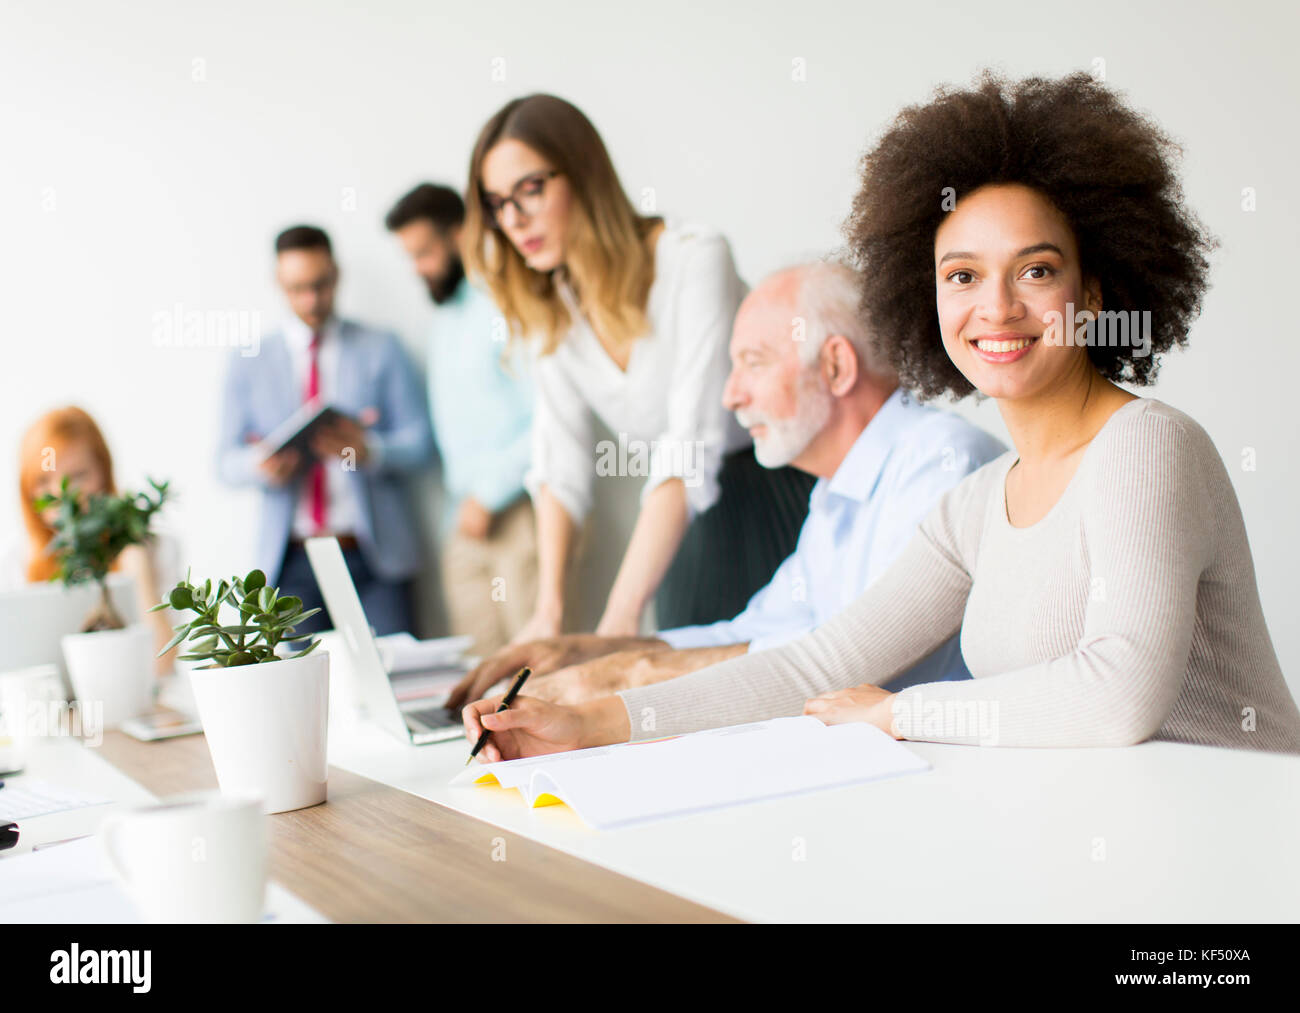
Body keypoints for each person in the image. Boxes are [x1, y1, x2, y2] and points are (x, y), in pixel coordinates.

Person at [462, 70, 1300, 759]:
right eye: (962, 276)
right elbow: (819, 659)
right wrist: (592, 724)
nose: (996, 307)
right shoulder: (976, 507)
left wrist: (899, 713)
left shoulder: (1149, 446)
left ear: (1095, 292)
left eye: (1036, 271)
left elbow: (1118, 694)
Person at [447, 261, 1004, 708]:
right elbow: (760, 630)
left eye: (752, 364)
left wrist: (626, 675)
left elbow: (859, 664)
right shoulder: (835, 495)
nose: (731, 396)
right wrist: (595, 649)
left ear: (835, 366)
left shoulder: (940, 466)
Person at [462, 93, 816, 640]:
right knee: (672, 683)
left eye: (530, 189)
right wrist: (547, 614)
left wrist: (619, 619)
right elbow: (559, 463)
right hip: (683, 523)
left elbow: (689, 445)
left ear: (584, 174)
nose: (514, 219)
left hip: (769, 494)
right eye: (496, 203)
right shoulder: (550, 304)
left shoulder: (694, 257)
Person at [217, 225, 434, 636]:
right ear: (278, 283)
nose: (312, 300)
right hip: (292, 561)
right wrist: (259, 465)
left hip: (373, 558)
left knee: (398, 679)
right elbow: (223, 463)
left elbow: (420, 444)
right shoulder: (249, 361)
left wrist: (369, 451)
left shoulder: (382, 347)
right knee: (305, 689)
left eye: (321, 285)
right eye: (298, 288)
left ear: (336, 274)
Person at [385, 183, 539, 655]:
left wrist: (489, 495)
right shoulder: (443, 320)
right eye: (410, 256)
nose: (418, 268)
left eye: (425, 252)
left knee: (534, 667)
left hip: (520, 511)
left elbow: (552, 418)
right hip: (464, 521)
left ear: (461, 233)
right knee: (478, 671)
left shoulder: (511, 302)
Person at [5, 406, 179, 674]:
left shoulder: (155, 548)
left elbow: (162, 666)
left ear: (104, 473)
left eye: (77, 476)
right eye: (43, 480)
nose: (62, 494)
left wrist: (137, 565)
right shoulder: (15, 561)